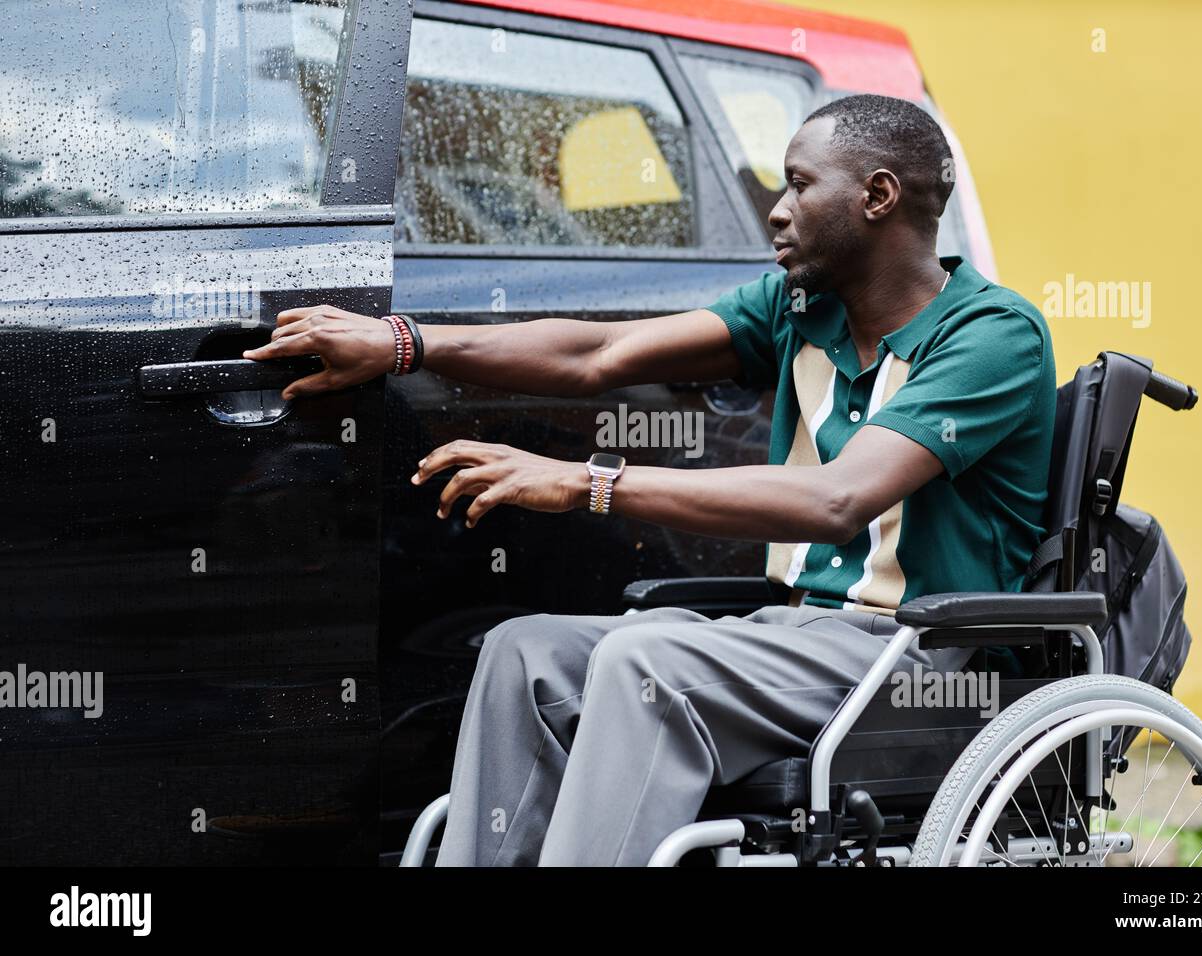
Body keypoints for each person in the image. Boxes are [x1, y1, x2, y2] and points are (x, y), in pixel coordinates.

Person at [243, 93, 1056, 866]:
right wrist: (406, 342)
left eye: (799, 185)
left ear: (877, 196)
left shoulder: (991, 334)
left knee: (646, 661)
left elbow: (835, 499)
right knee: (526, 652)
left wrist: (589, 482)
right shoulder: (798, 310)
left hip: (927, 663)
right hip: (796, 638)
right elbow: (600, 354)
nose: (776, 208)